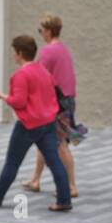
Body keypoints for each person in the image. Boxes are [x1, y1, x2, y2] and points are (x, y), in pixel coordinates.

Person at [0, 36, 72, 212]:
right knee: (54, 161)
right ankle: (64, 199)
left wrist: (0, 96)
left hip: (28, 125)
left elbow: (19, 102)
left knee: (13, 162)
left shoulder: (21, 75)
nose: (13, 55)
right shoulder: (43, 71)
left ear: (20, 53)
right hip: (48, 123)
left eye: (14, 52)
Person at [26, 14, 84, 198]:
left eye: (41, 30)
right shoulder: (63, 49)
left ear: (49, 31)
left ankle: (72, 187)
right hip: (67, 100)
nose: (40, 33)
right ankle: (35, 180)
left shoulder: (47, 51)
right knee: (44, 141)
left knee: (60, 145)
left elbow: (40, 78)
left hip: (56, 103)